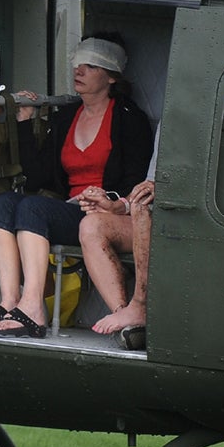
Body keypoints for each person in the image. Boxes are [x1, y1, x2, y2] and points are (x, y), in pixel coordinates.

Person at [0, 34, 153, 338]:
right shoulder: (67, 116)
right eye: (78, 63)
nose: (79, 70)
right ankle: (9, 302)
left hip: (106, 212)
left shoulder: (130, 118)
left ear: (111, 77)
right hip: (71, 208)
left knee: (32, 208)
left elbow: (137, 180)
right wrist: (25, 121)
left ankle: (33, 307)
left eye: (91, 66)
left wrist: (108, 198)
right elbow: (38, 176)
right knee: (4, 202)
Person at [81, 125, 160, 337]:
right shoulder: (170, 119)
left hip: (191, 217)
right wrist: (116, 206)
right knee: (92, 225)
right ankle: (126, 318)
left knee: (141, 212)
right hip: (155, 216)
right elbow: (150, 186)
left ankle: (140, 306)